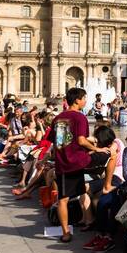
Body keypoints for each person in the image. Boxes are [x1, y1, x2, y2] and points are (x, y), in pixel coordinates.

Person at [46, 87, 99, 243]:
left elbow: (59, 142)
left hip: (63, 163)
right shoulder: (79, 117)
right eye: (84, 98)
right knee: (64, 199)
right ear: (77, 100)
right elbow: (82, 140)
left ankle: (82, 222)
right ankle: (66, 232)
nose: (86, 101)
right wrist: (97, 148)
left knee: (72, 194)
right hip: (77, 162)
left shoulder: (60, 117)